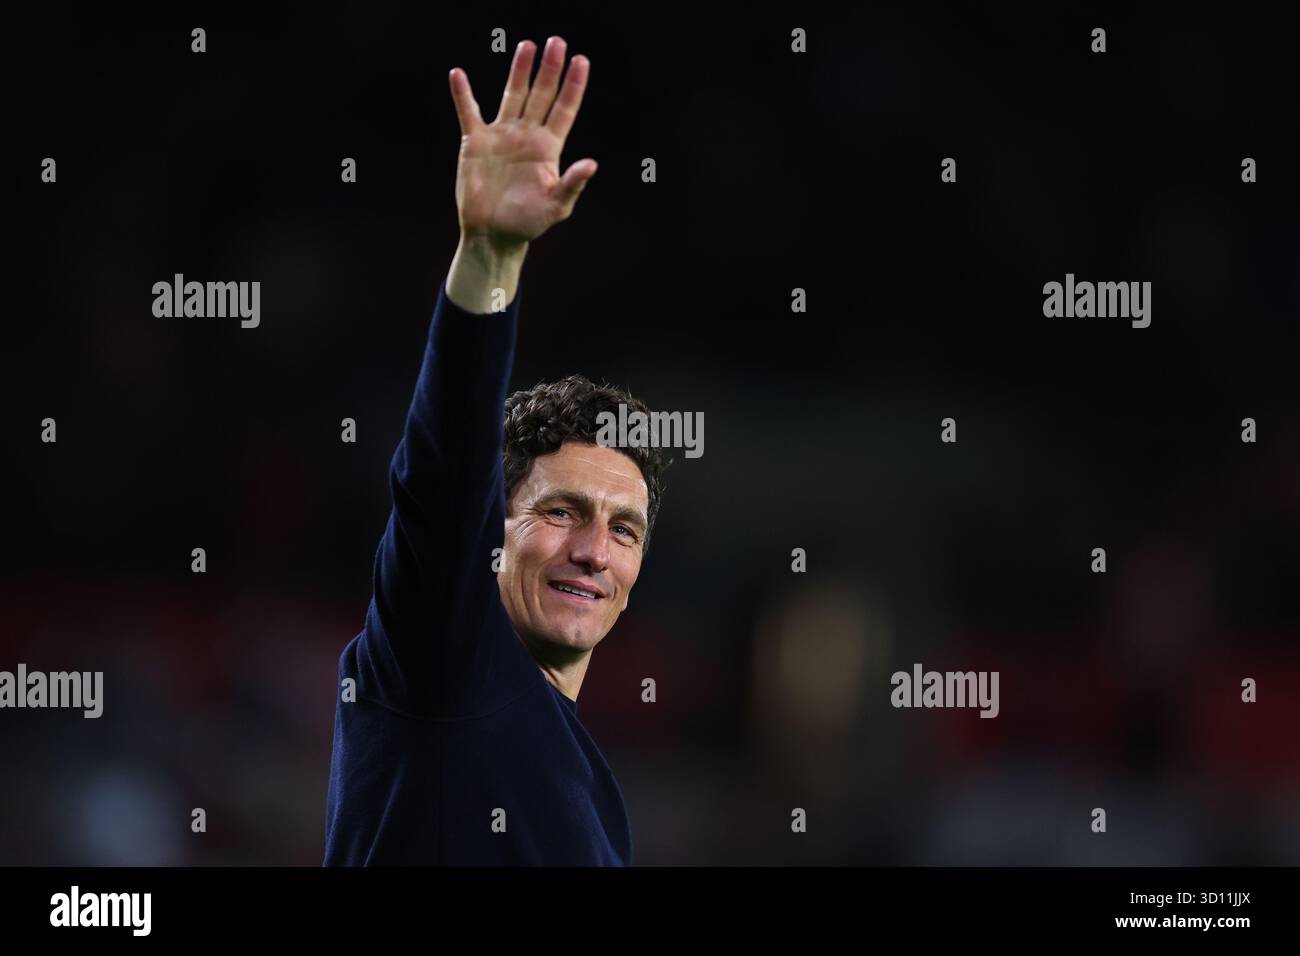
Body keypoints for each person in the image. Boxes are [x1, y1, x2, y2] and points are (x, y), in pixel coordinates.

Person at [323, 35, 669, 865]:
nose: (593, 551)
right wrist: (490, 259)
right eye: (561, 511)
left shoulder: (589, 782)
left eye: (625, 530)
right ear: (492, 537)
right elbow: (441, 480)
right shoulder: (442, 663)